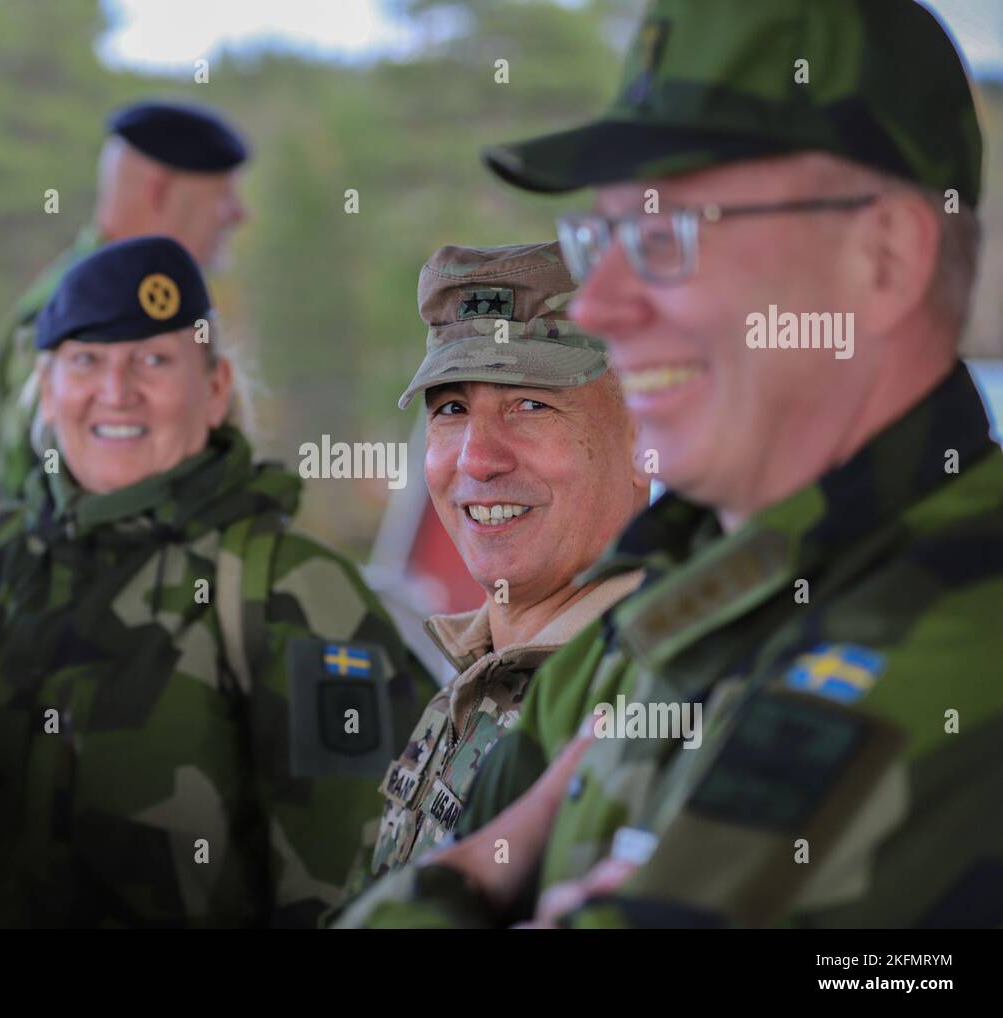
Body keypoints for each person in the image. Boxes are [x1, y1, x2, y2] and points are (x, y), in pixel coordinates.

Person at [339, 0, 1003, 929]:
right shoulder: (660, 627)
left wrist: (457, 892)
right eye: (600, 237)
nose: (604, 305)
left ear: (884, 259)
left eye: (667, 235)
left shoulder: (954, 644)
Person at [0, 237, 433, 928]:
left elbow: (355, 885)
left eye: (155, 359)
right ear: (48, 389)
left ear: (215, 390)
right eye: (86, 360)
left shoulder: (296, 592)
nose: (117, 391)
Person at [335, 242, 647, 898]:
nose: (477, 459)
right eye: (451, 410)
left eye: (530, 406)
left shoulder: (645, 697)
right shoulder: (480, 676)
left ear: (642, 435)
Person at [0, 100, 249, 502]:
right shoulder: (60, 310)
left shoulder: (175, 302)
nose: (238, 214)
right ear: (158, 190)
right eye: (222, 195)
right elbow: (35, 491)